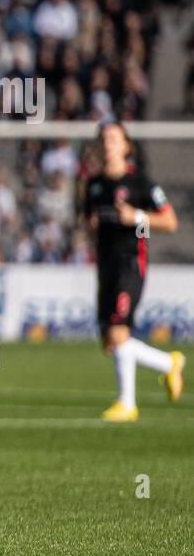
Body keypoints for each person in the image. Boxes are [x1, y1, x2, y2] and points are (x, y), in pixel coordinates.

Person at [83, 122, 184, 421]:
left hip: (131, 262)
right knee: (109, 342)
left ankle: (127, 404)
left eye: (114, 138)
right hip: (105, 264)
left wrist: (136, 216)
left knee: (118, 332)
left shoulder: (141, 183)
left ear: (126, 146)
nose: (108, 144)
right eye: (103, 139)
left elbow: (170, 221)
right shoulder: (94, 185)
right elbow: (88, 222)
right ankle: (168, 364)